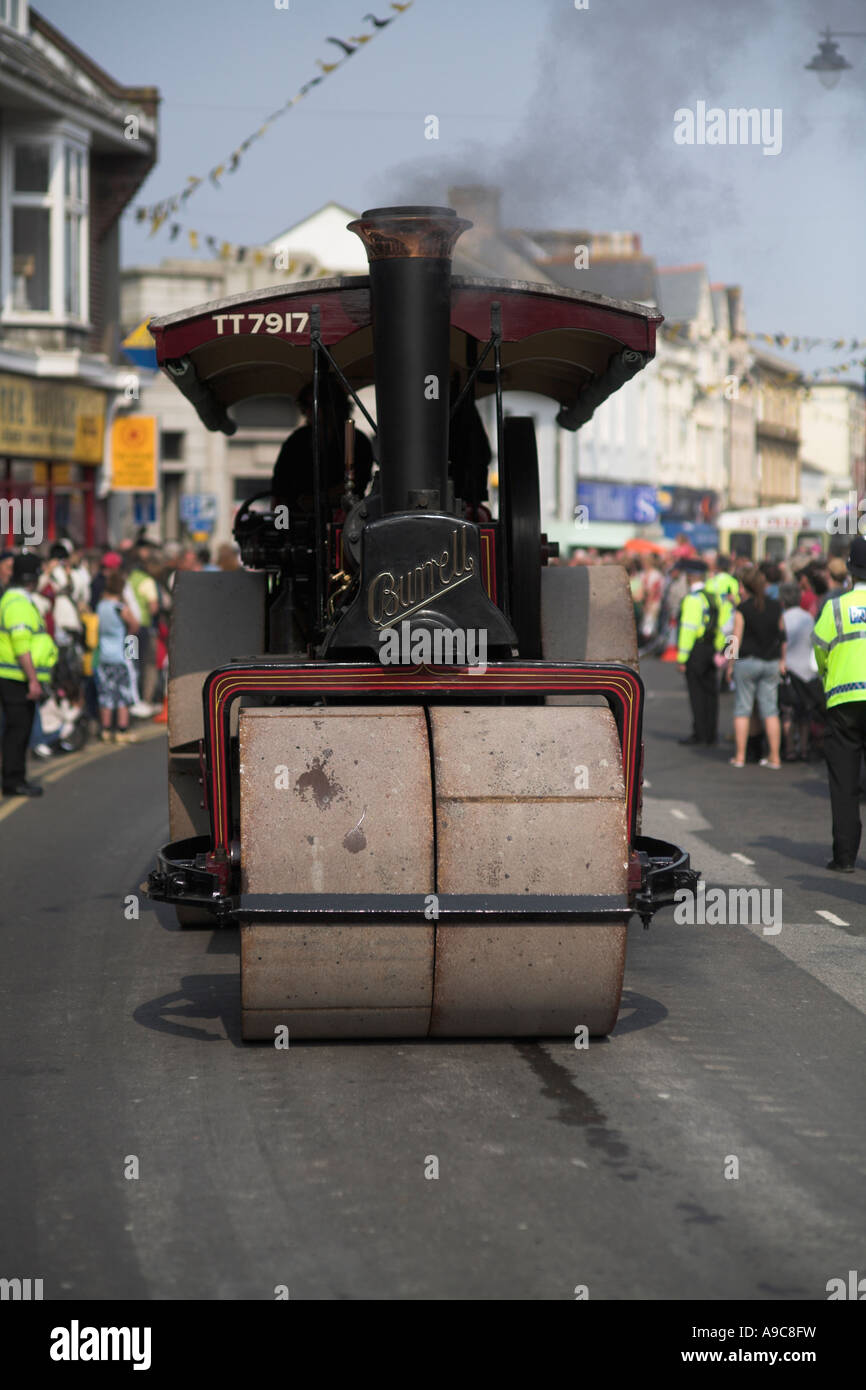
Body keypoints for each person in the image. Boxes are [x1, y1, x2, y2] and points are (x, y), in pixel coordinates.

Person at [812, 534, 866, 872]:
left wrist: (826, 677)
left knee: (844, 781)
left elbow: (819, 649)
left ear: (850, 570)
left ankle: (845, 857)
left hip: (844, 700)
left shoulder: (836, 607)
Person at [0, 553, 58, 796]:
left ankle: (15, 778)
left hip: (16, 676)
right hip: (17, 678)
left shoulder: (17, 600)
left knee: (18, 729)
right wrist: (33, 679)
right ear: (31, 578)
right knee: (18, 730)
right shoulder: (18, 604)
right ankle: (14, 781)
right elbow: (21, 644)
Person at [271, 378, 373, 514]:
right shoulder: (296, 441)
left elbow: (355, 485)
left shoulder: (355, 440)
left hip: (344, 523)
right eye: (306, 406)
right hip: (298, 524)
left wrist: (316, 500)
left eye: (315, 404)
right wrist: (281, 527)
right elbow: (279, 492)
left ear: (333, 405)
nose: (309, 411)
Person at [727, 565, 787, 769]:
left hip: (747, 662)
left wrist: (729, 665)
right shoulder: (775, 606)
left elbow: (734, 639)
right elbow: (782, 636)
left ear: (746, 587)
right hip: (770, 662)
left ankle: (740, 756)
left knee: (743, 708)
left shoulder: (742, 609)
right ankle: (775, 757)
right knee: (770, 710)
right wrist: (782, 660)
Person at [676, 558, 725, 746]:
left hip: (696, 649)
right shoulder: (713, 597)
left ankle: (699, 733)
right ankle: (711, 733)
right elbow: (720, 626)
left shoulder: (692, 599)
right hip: (711, 647)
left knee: (696, 692)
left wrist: (682, 657)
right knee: (710, 692)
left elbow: (688, 629)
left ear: (690, 577)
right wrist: (721, 648)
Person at [778, 581, 823, 761]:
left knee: (788, 712)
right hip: (807, 671)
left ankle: (789, 748)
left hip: (788, 671)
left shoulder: (782, 618)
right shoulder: (808, 618)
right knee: (805, 712)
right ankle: (803, 748)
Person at [95, 570, 140, 744]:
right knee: (122, 694)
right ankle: (122, 730)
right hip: (120, 656)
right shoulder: (119, 607)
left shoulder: (101, 606)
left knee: (106, 694)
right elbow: (135, 624)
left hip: (103, 655)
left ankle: (106, 730)